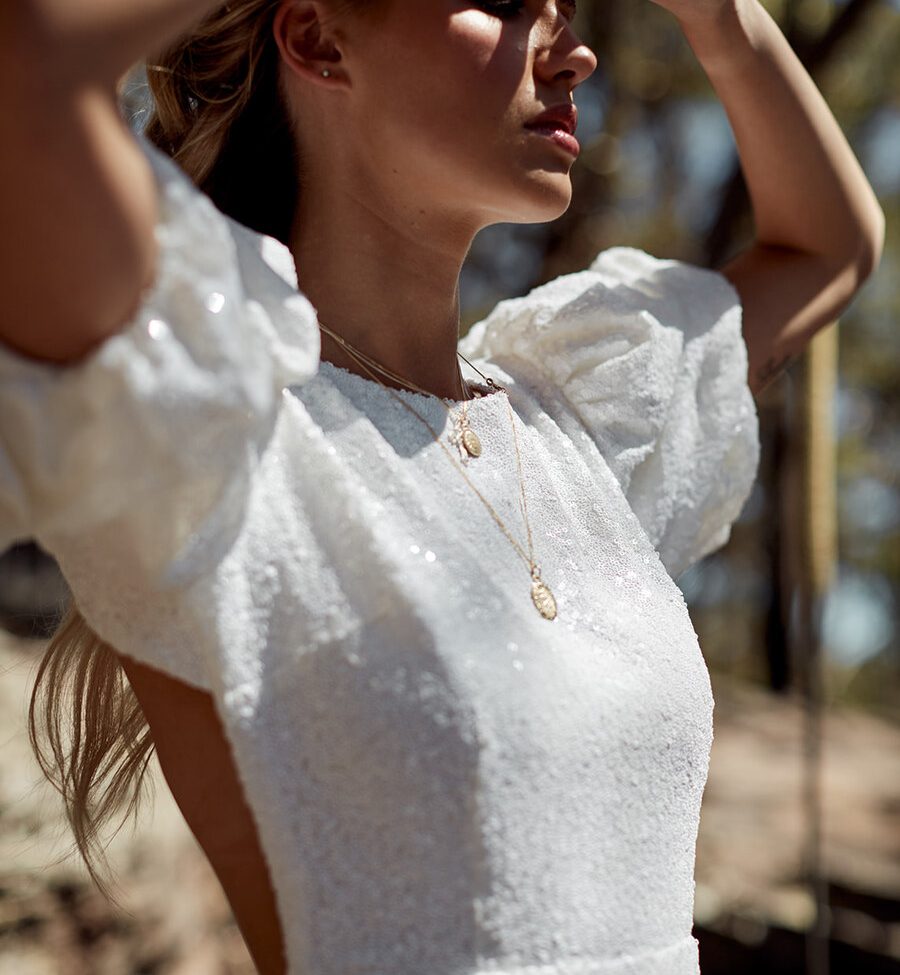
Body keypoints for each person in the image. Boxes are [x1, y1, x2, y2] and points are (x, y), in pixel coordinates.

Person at [0, 0, 883, 973]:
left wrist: (718, 19)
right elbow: (30, 55)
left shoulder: (579, 414)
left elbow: (829, 248)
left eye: (570, 10)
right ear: (317, 39)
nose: (576, 53)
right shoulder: (216, 428)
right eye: (508, 3)